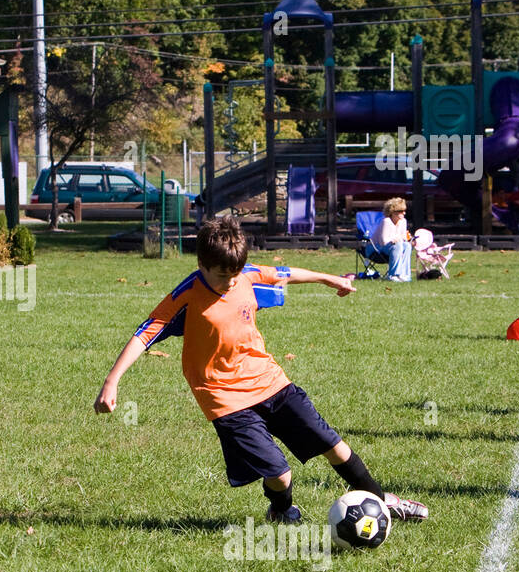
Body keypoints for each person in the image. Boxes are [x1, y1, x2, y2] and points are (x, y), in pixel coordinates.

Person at [94, 216, 428, 524]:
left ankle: (383, 502)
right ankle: (281, 510)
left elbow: (286, 274)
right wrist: (112, 382)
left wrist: (329, 278)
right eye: (221, 275)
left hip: (269, 381)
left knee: (333, 445)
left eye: (234, 274)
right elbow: (145, 333)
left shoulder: (245, 274)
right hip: (223, 397)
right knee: (280, 474)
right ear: (201, 265)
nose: (230, 281)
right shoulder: (186, 295)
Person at [370, 197, 411, 281]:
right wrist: (396, 240)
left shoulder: (403, 221)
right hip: (376, 248)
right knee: (398, 246)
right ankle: (393, 275)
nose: (404, 213)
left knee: (407, 245)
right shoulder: (386, 221)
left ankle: (405, 274)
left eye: (404, 211)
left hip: (393, 246)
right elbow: (383, 241)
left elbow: (404, 237)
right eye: (401, 211)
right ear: (393, 212)